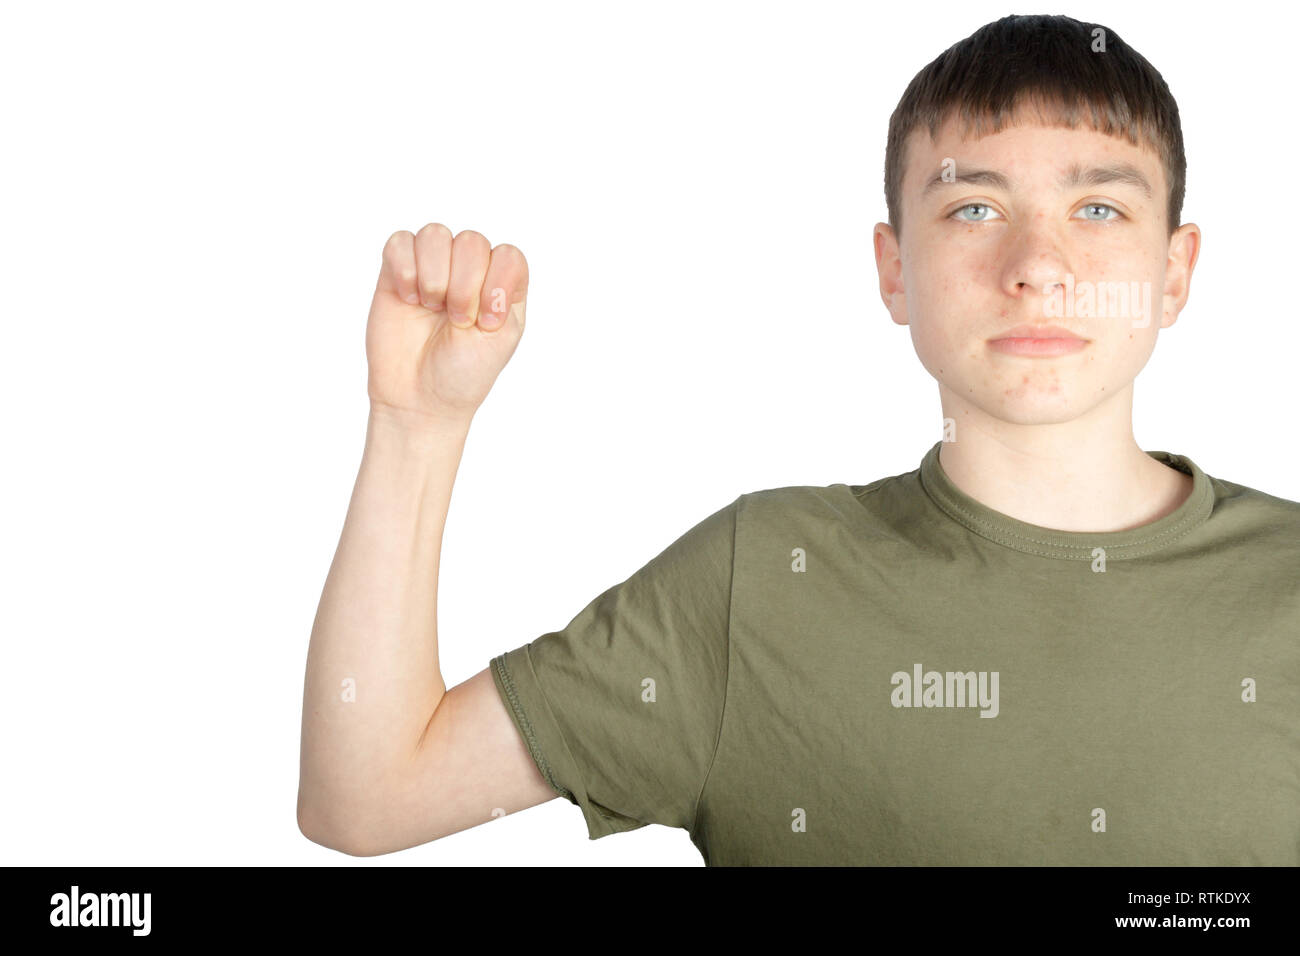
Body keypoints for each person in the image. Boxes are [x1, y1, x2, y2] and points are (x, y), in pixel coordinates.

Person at [296, 13, 1300, 864]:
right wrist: (415, 424)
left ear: (1173, 271)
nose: (1037, 264)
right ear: (893, 268)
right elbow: (368, 795)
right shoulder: (765, 579)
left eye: (1096, 205)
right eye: (974, 205)